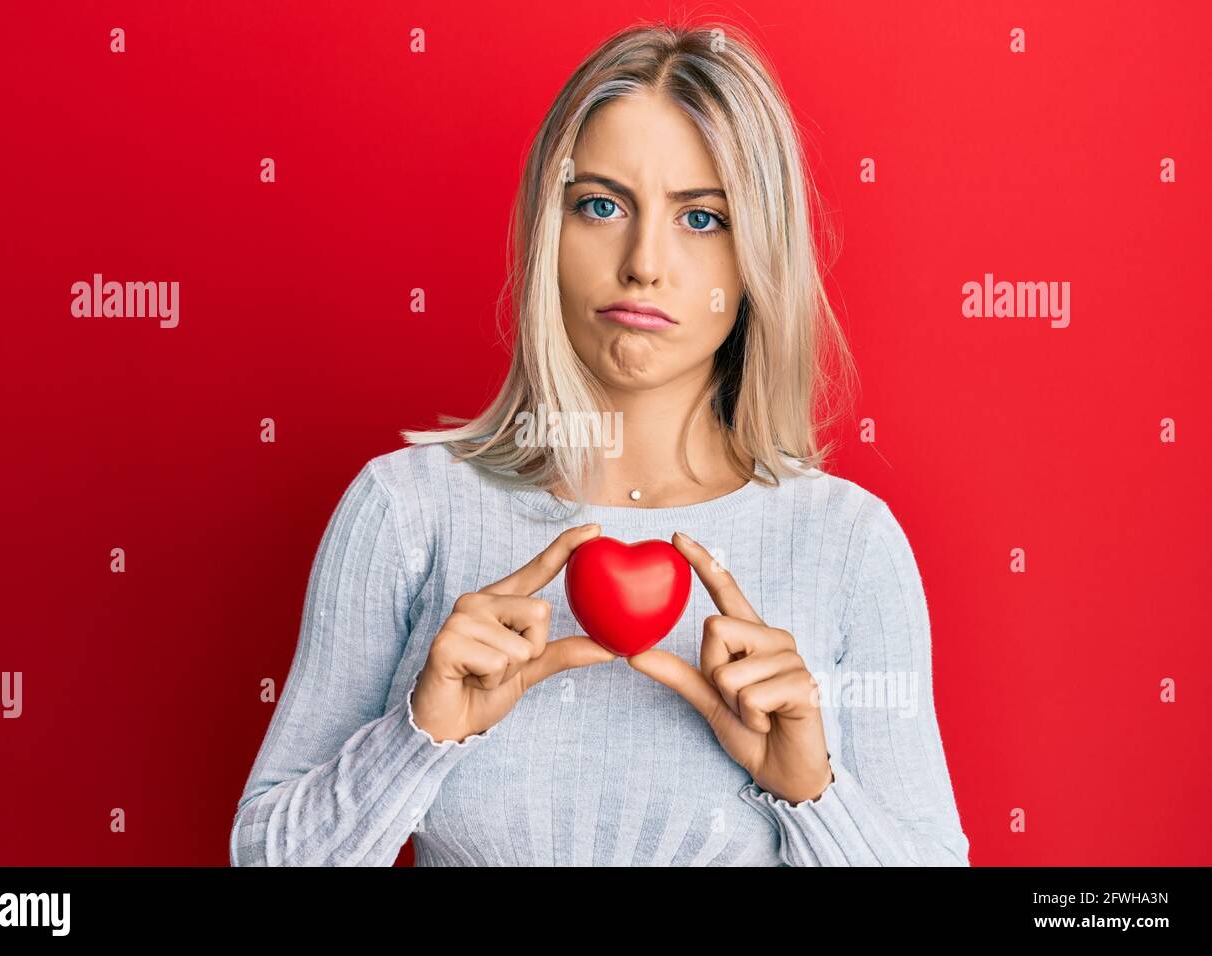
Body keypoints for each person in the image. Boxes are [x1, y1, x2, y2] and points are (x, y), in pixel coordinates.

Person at [229, 20, 970, 866]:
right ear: (551, 231)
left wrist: (810, 793)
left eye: (701, 217)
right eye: (602, 205)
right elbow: (265, 857)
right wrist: (419, 734)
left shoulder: (850, 543)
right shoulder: (406, 509)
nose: (643, 262)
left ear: (760, 254)